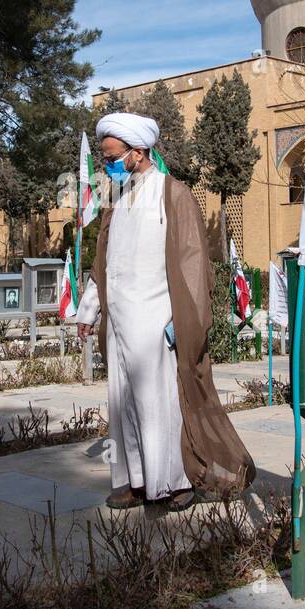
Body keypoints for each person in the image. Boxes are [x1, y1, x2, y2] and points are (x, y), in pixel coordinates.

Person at [76, 112, 255, 511]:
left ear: (138, 152)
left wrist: (185, 319)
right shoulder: (116, 203)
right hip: (120, 323)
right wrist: (88, 312)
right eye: (105, 159)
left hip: (156, 323)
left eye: (112, 158)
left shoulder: (171, 194)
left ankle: (174, 482)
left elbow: (194, 262)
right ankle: (134, 481)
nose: (107, 166)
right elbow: (102, 264)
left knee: (159, 405)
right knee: (123, 405)